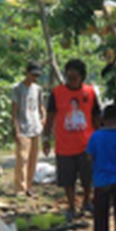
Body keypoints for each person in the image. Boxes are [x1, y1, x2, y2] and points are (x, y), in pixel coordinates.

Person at [45, 59, 100, 220]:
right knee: (67, 178)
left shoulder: (90, 93)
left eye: (74, 77)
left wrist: (99, 138)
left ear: (82, 77)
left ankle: (86, 202)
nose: (71, 81)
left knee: (87, 177)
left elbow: (96, 116)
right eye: (68, 77)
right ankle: (71, 205)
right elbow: (50, 117)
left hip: (86, 144)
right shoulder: (57, 93)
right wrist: (46, 137)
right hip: (64, 145)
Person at [11, 62, 45, 198]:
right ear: (26, 72)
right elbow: (14, 112)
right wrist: (17, 131)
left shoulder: (38, 89)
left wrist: (44, 118)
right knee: (22, 159)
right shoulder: (17, 89)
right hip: (23, 127)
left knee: (33, 159)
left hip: (36, 127)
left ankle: (29, 187)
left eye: (37, 76)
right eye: (33, 75)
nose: (35, 78)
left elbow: (41, 107)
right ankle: (20, 188)